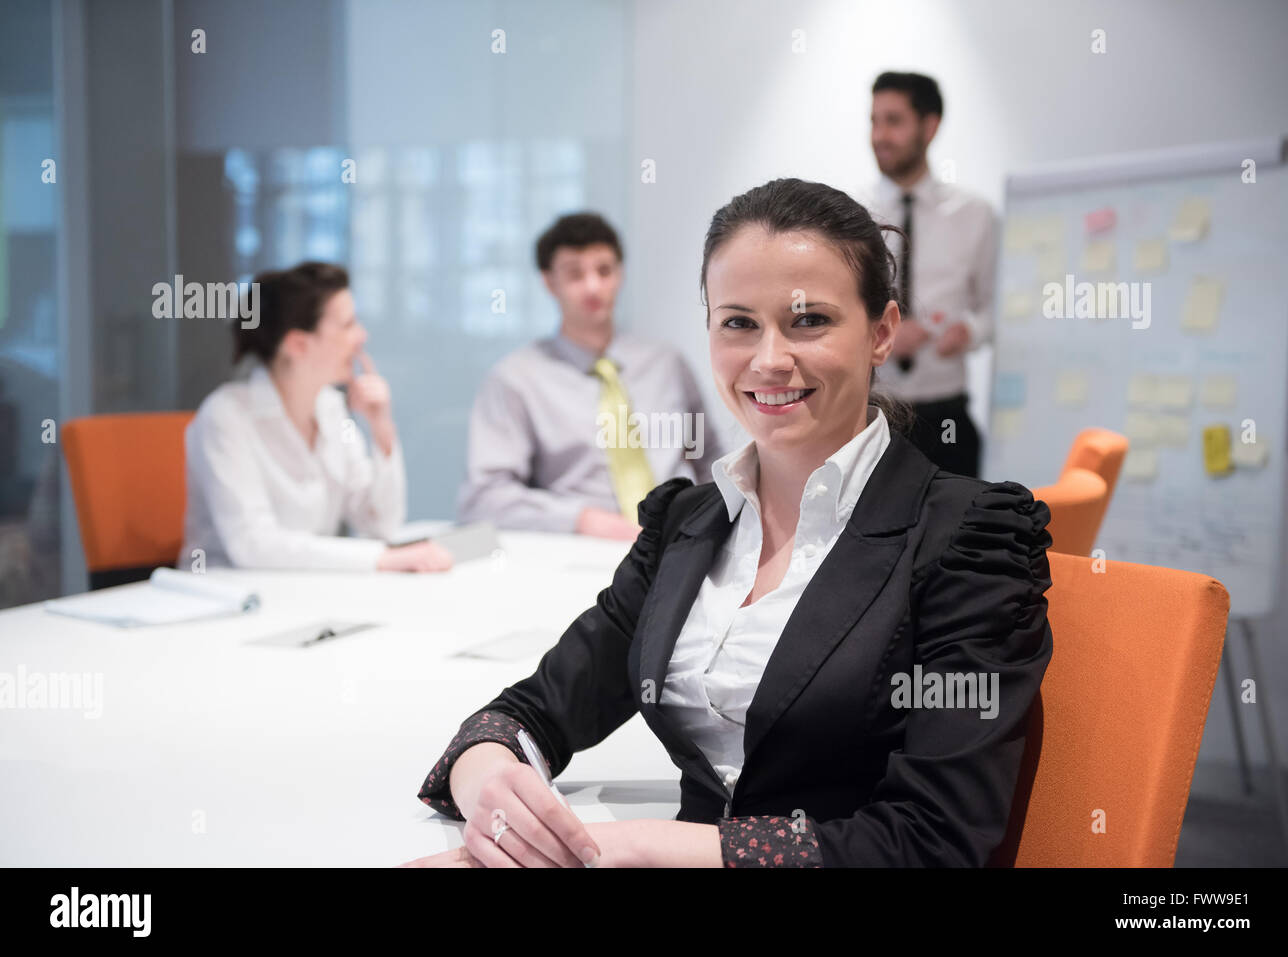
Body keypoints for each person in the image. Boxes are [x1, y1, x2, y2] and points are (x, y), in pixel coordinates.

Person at [404, 179, 1052, 868]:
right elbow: (531, 709)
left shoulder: (967, 537)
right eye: (739, 322)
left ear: (882, 331)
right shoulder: (686, 526)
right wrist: (489, 781)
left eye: (809, 321)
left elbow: (935, 842)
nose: (769, 359)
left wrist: (642, 846)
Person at [456, 212, 727, 541]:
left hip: (680, 544)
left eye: (604, 270)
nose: (593, 286)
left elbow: (709, 460)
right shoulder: (515, 379)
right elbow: (483, 499)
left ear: (620, 274)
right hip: (581, 550)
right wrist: (581, 519)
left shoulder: (667, 364)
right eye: (574, 274)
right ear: (548, 282)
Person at [180, 261, 452, 573]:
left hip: (303, 590)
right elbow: (253, 546)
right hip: (227, 597)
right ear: (298, 344)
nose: (362, 336)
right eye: (348, 325)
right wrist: (379, 560)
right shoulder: (225, 417)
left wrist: (382, 430)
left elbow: (380, 525)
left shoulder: (330, 408)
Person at [867, 71, 997, 478]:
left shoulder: (974, 216)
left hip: (948, 420)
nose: (879, 135)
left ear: (930, 126)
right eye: (873, 121)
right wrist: (880, 334)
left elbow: (998, 307)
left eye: (893, 121)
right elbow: (835, 312)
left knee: (958, 537)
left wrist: (970, 331)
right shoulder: (850, 216)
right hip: (872, 418)